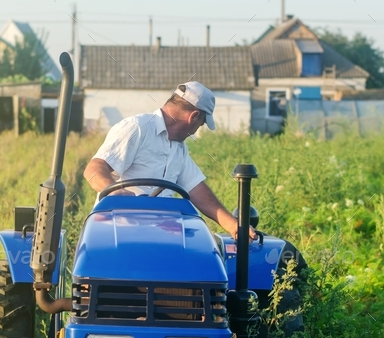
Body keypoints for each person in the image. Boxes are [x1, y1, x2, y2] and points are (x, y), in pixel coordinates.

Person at [83, 81, 255, 240]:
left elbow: (195, 188)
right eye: (200, 125)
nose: (195, 131)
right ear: (193, 116)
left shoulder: (179, 148)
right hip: (119, 230)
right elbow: (93, 170)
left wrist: (232, 225)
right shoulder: (137, 128)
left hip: (162, 233)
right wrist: (113, 192)